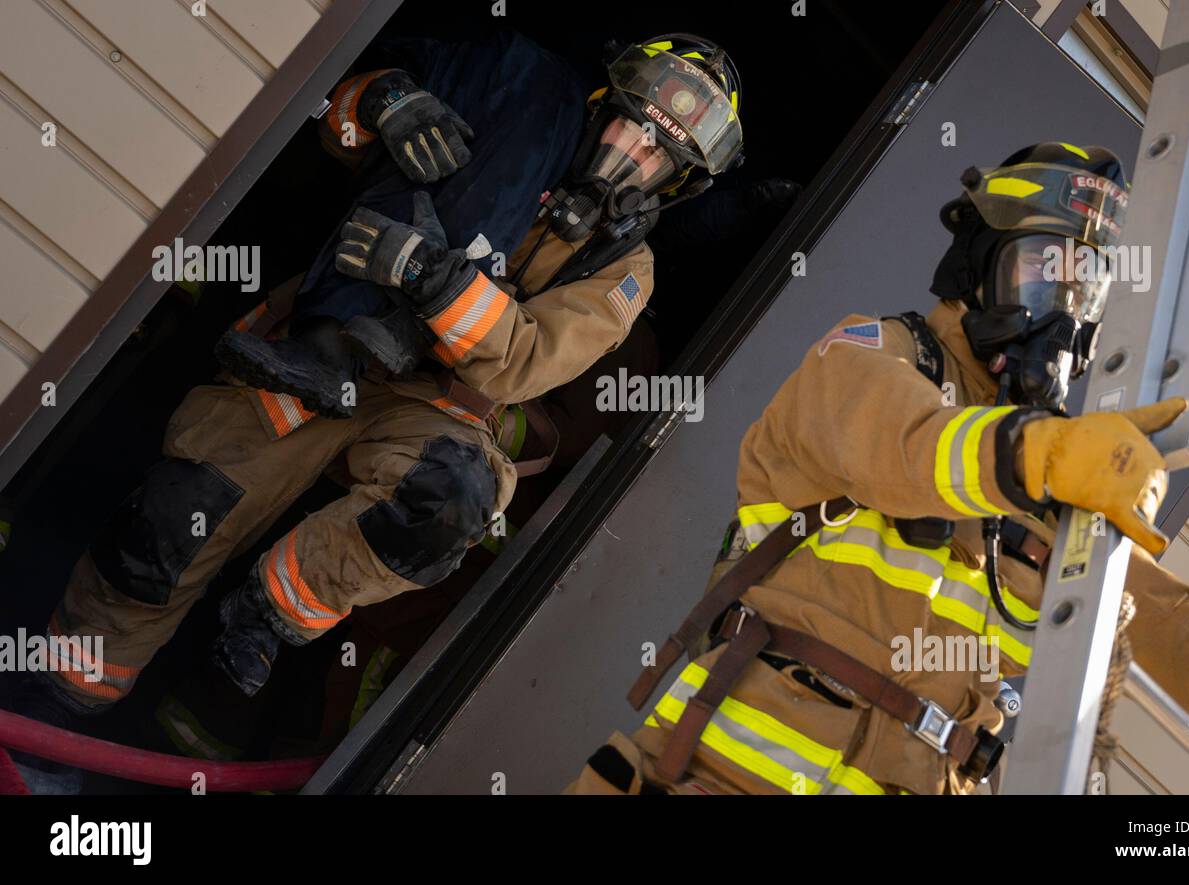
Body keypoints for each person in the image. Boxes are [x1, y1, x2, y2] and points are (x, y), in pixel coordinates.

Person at [6, 33, 746, 790]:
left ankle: (267, 614)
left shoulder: (626, 268)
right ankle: (52, 716)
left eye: (659, 153)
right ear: (602, 107)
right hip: (327, 351)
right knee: (175, 515)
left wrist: (432, 278)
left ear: (677, 184)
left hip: (435, 405)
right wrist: (386, 101)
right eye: (632, 124)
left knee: (451, 498)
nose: (633, 152)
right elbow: (336, 123)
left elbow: (525, 361)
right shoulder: (519, 111)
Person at [569, 143, 1189, 795]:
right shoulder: (871, 356)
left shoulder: (1055, 478)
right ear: (980, 265)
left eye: (1087, 292)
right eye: (1045, 273)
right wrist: (1035, 454)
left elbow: (1174, 633)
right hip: (711, 773)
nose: (1064, 315)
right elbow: (906, 443)